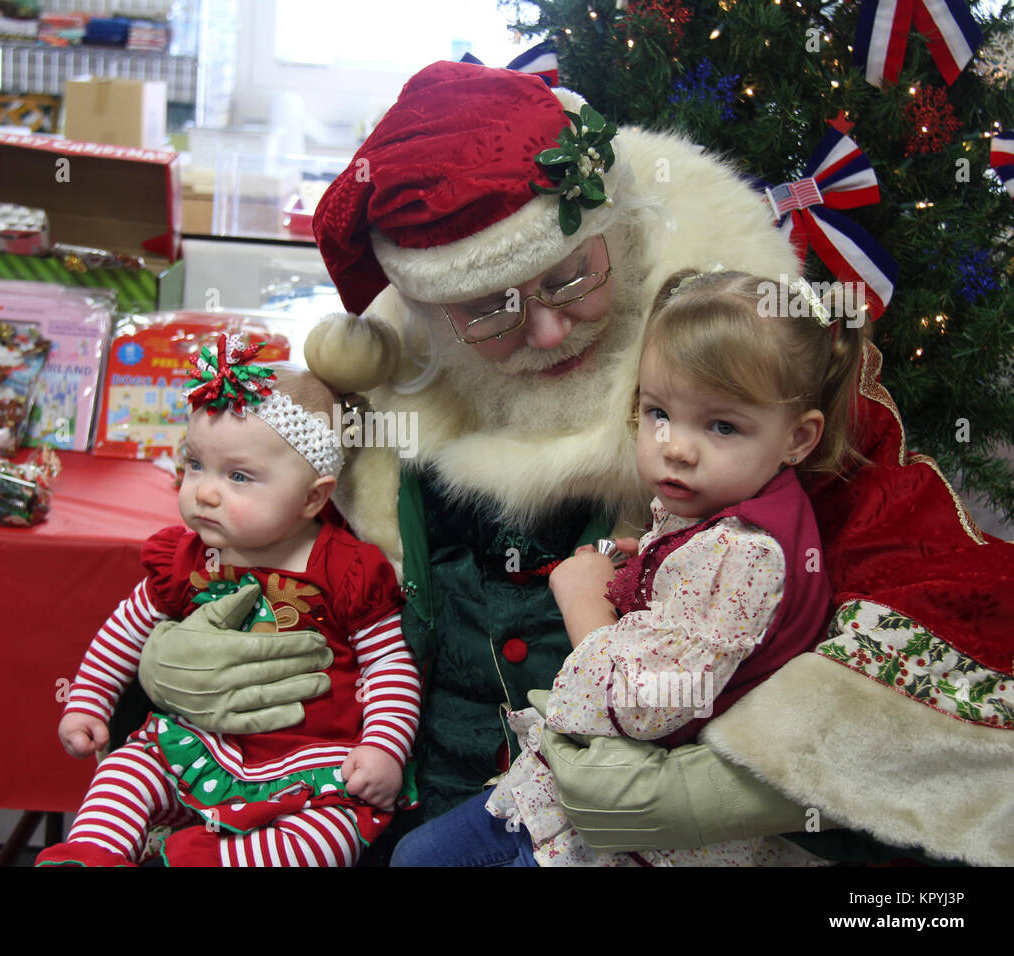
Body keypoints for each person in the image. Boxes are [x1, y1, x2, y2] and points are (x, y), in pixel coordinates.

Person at [134, 60, 1014, 866]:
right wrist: (173, 653)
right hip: (393, 799)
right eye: (491, 310)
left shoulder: (743, 365)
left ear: (617, 231)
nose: (548, 332)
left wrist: (720, 793)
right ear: (431, 306)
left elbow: (936, 587)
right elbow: (265, 522)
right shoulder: (385, 387)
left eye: (571, 278)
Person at [392, 268, 868, 866]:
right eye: (658, 412)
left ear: (797, 438)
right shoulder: (717, 510)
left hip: (634, 821)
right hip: (578, 779)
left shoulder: (747, 552)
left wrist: (584, 603)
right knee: (418, 854)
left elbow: (650, 703)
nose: (676, 446)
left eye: (722, 425)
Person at [36, 337, 420, 867]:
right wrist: (87, 702)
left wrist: (383, 747)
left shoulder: (346, 568)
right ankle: (93, 854)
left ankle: (209, 859)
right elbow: (123, 630)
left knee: (330, 836)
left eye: (238, 476)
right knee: (126, 767)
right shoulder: (190, 557)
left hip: (312, 763)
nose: (205, 492)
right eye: (195, 465)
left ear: (313, 496)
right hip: (200, 747)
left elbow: (389, 665)